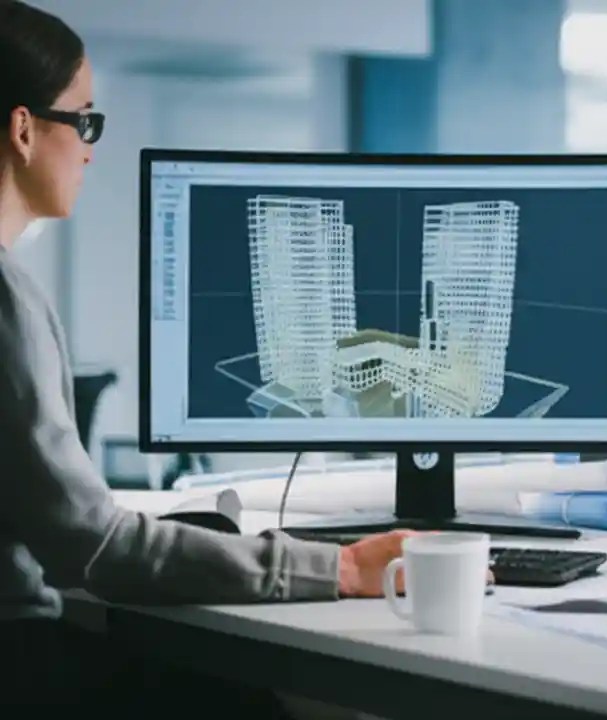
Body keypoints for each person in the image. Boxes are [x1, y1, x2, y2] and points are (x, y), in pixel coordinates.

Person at [0, 1, 415, 711]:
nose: (92, 147)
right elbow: (92, 549)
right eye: (85, 120)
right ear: (24, 129)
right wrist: (338, 567)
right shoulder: (8, 298)